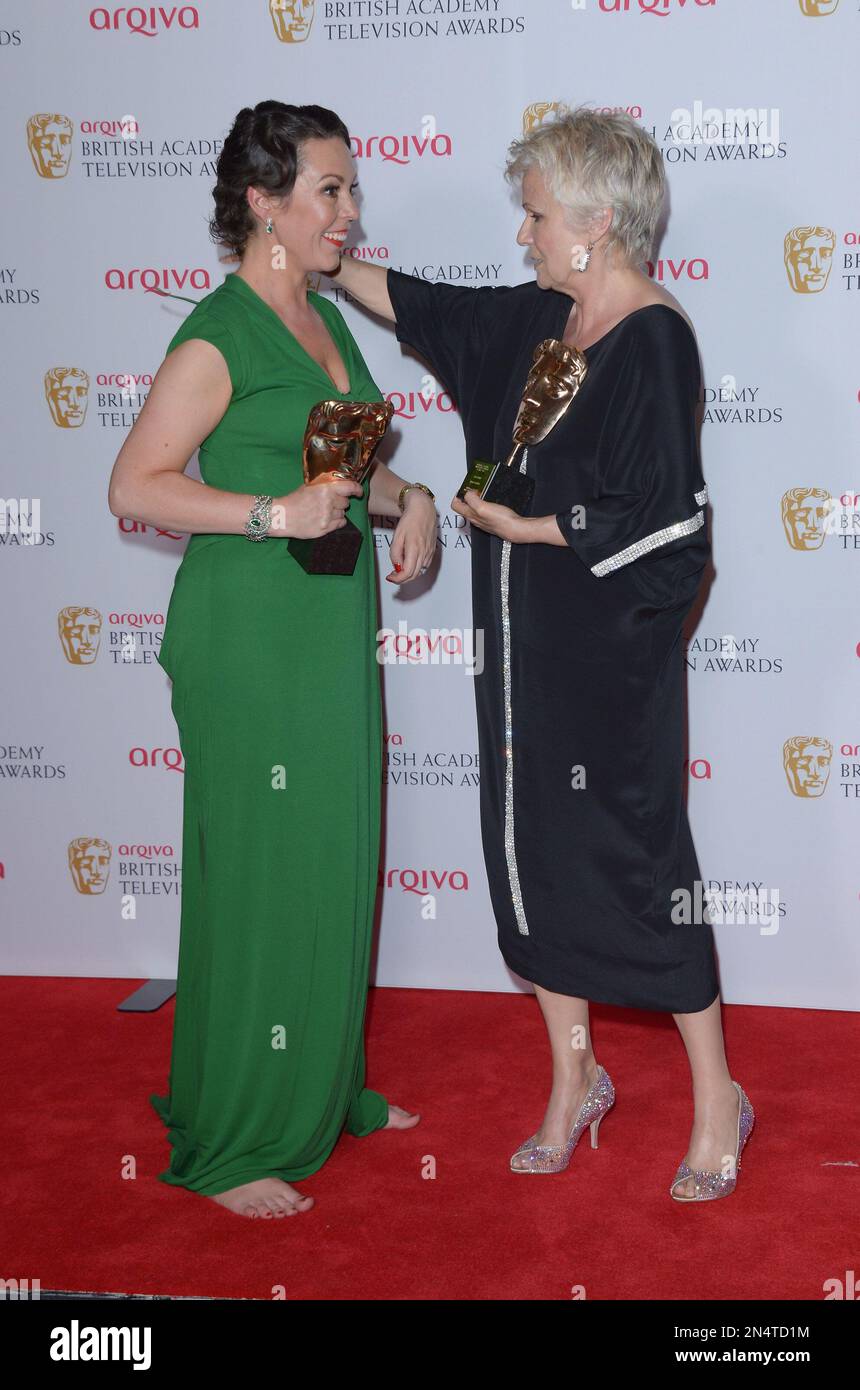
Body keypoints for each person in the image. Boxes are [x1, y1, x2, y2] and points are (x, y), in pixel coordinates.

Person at [331, 106, 754, 1202]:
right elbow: (422, 305)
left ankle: (718, 1096)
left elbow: (670, 522)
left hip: (604, 666)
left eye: (535, 216)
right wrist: (331, 257)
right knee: (531, 866)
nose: (522, 236)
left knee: (639, 866)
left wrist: (536, 529)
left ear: (596, 222)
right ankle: (575, 1081)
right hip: (515, 660)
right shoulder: (535, 321)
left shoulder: (653, 340)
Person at [108, 101, 437, 1219]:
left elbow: (344, 475)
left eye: (350, 190)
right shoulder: (219, 332)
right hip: (248, 639)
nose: (349, 211)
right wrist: (269, 516)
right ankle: (236, 1135)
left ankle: (319, 1081)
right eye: (329, 191)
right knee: (258, 877)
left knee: (329, 862)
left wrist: (416, 500)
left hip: (326, 632)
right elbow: (135, 485)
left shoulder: (320, 316)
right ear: (264, 204)